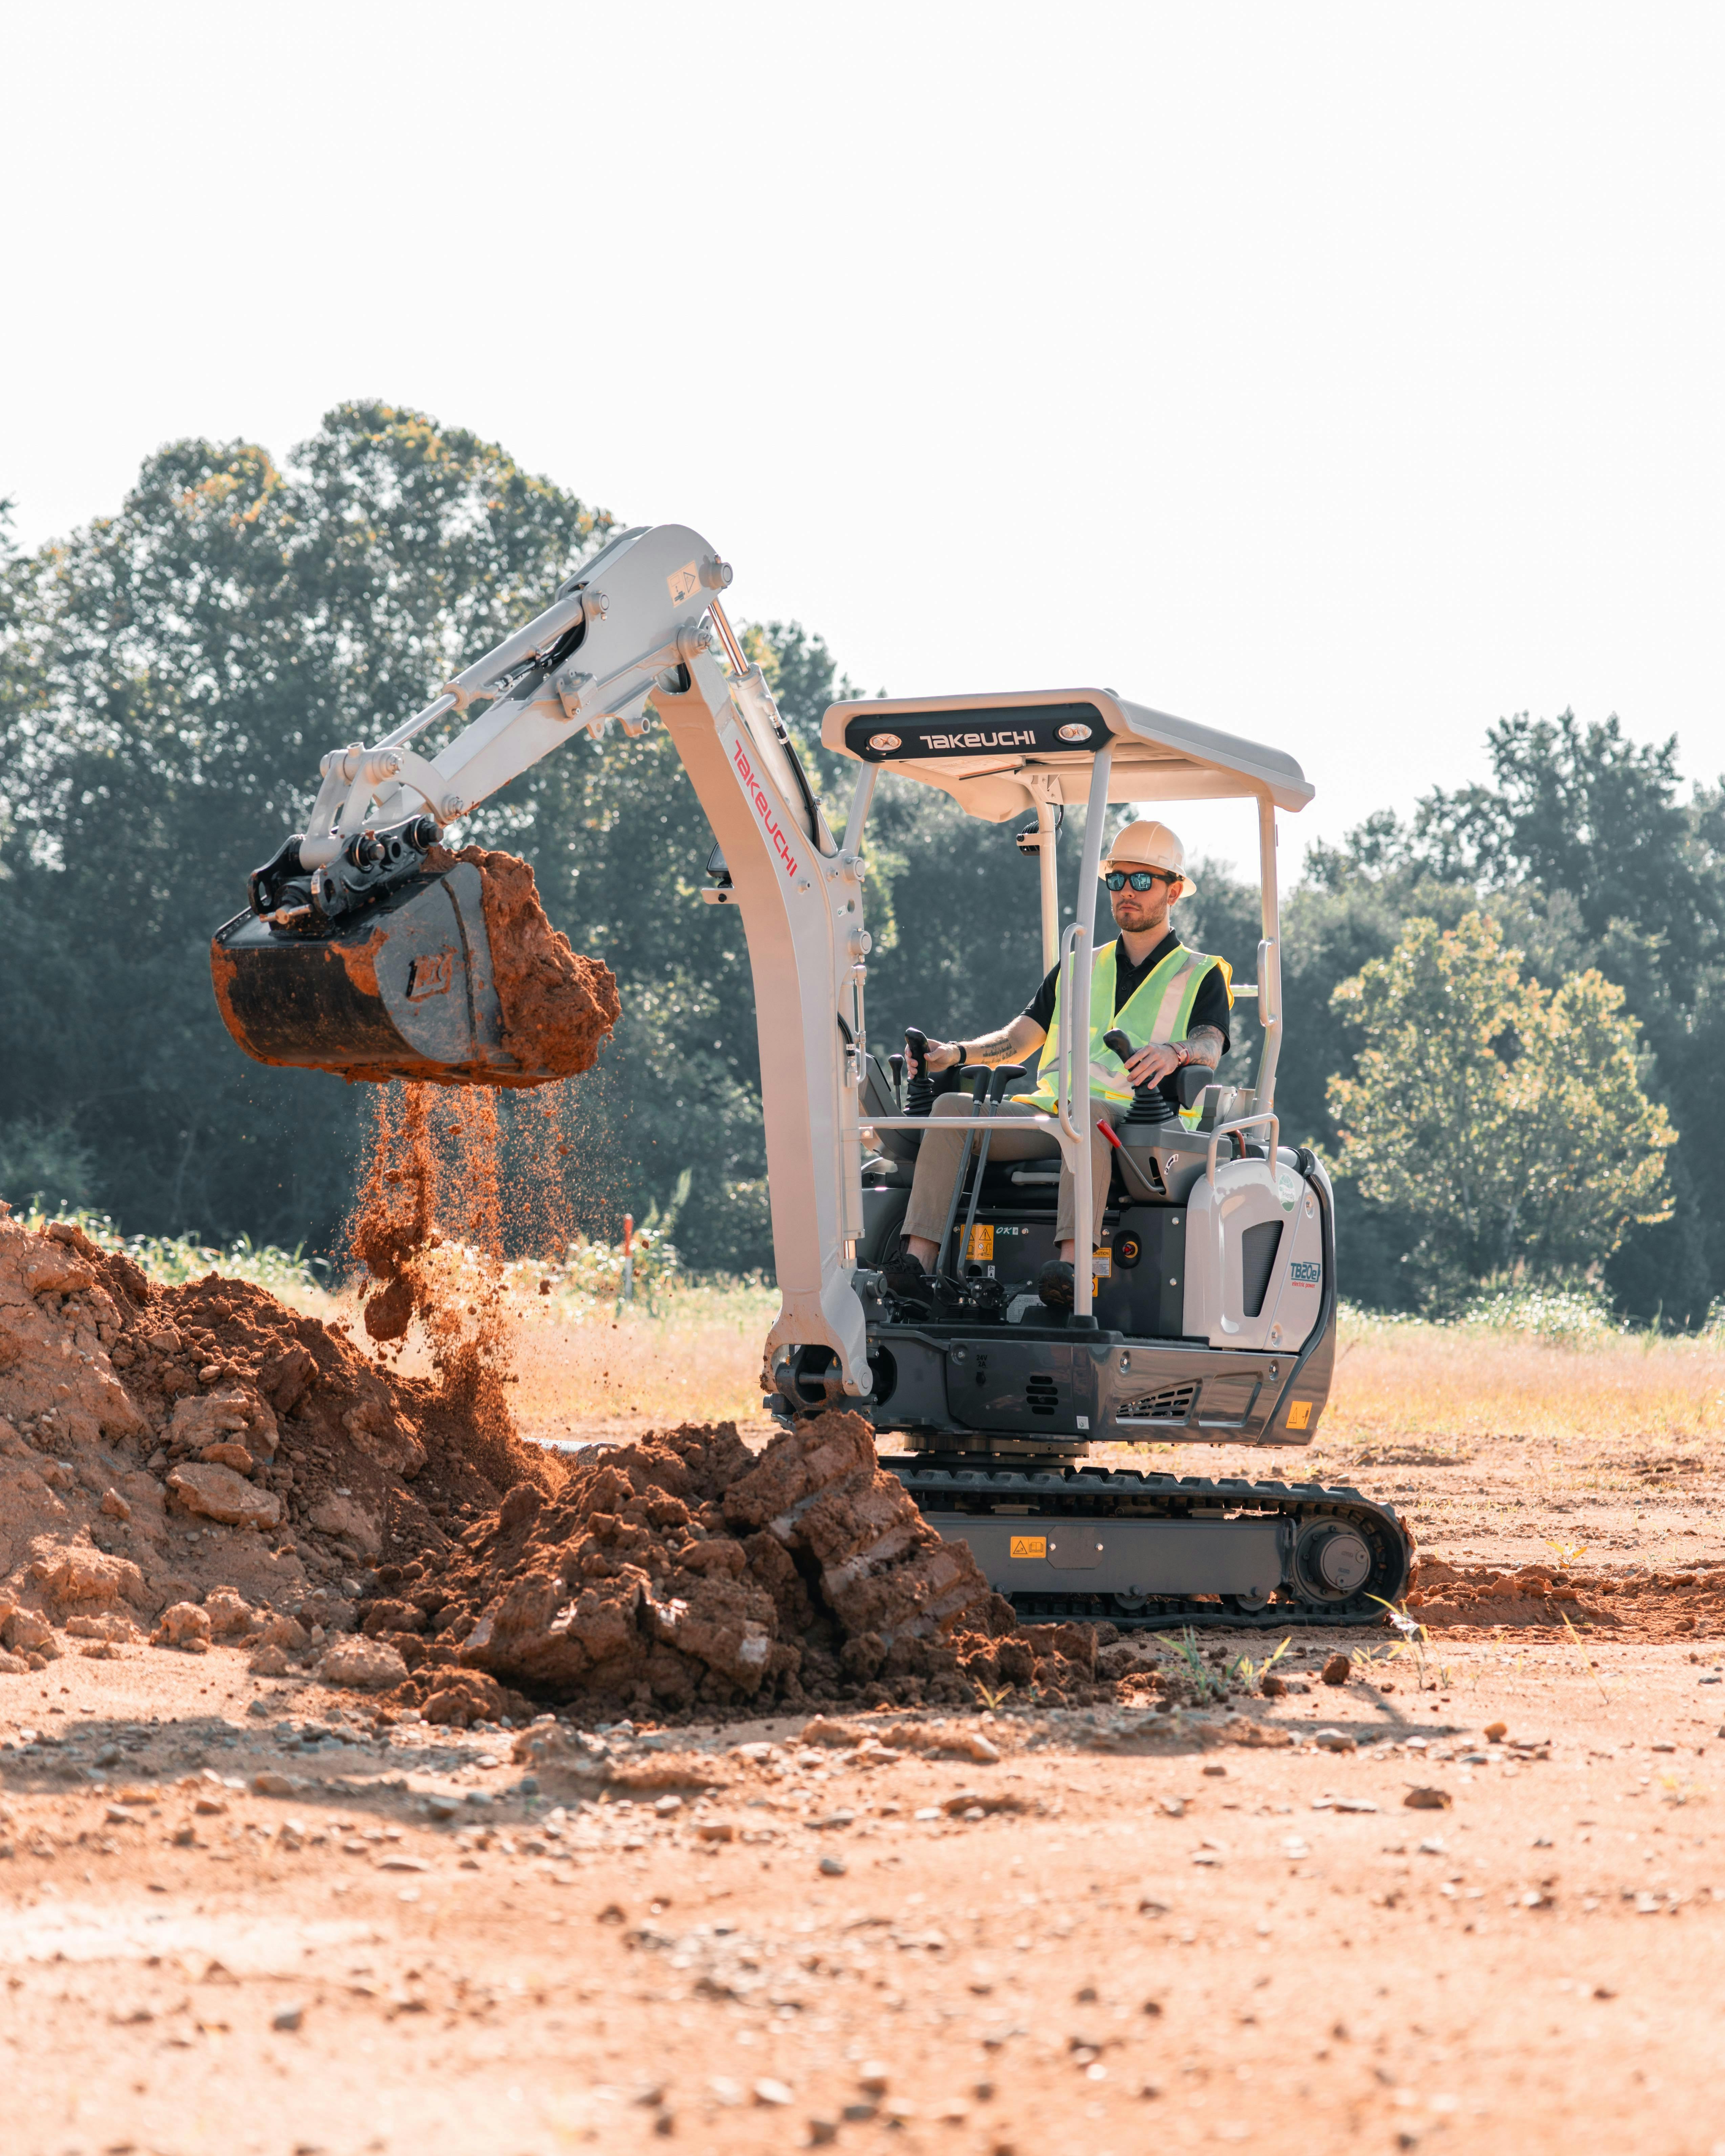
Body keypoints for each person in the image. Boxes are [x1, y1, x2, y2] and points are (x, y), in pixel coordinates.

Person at [882, 819, 1232, 1310]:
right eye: (1116, 880)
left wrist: (1176, 1052)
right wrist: (954, 1054)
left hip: (1131, 1123)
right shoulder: (1077, 967)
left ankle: (1070, 1271)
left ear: (1173, 891)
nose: (1125, 891)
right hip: (1049, 1113)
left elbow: (1210, 1044)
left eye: (1141, 880)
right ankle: (916, 1268)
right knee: (950, 1110)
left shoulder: (1201, 973)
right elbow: (1016, 1039)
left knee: (1084, 1115)